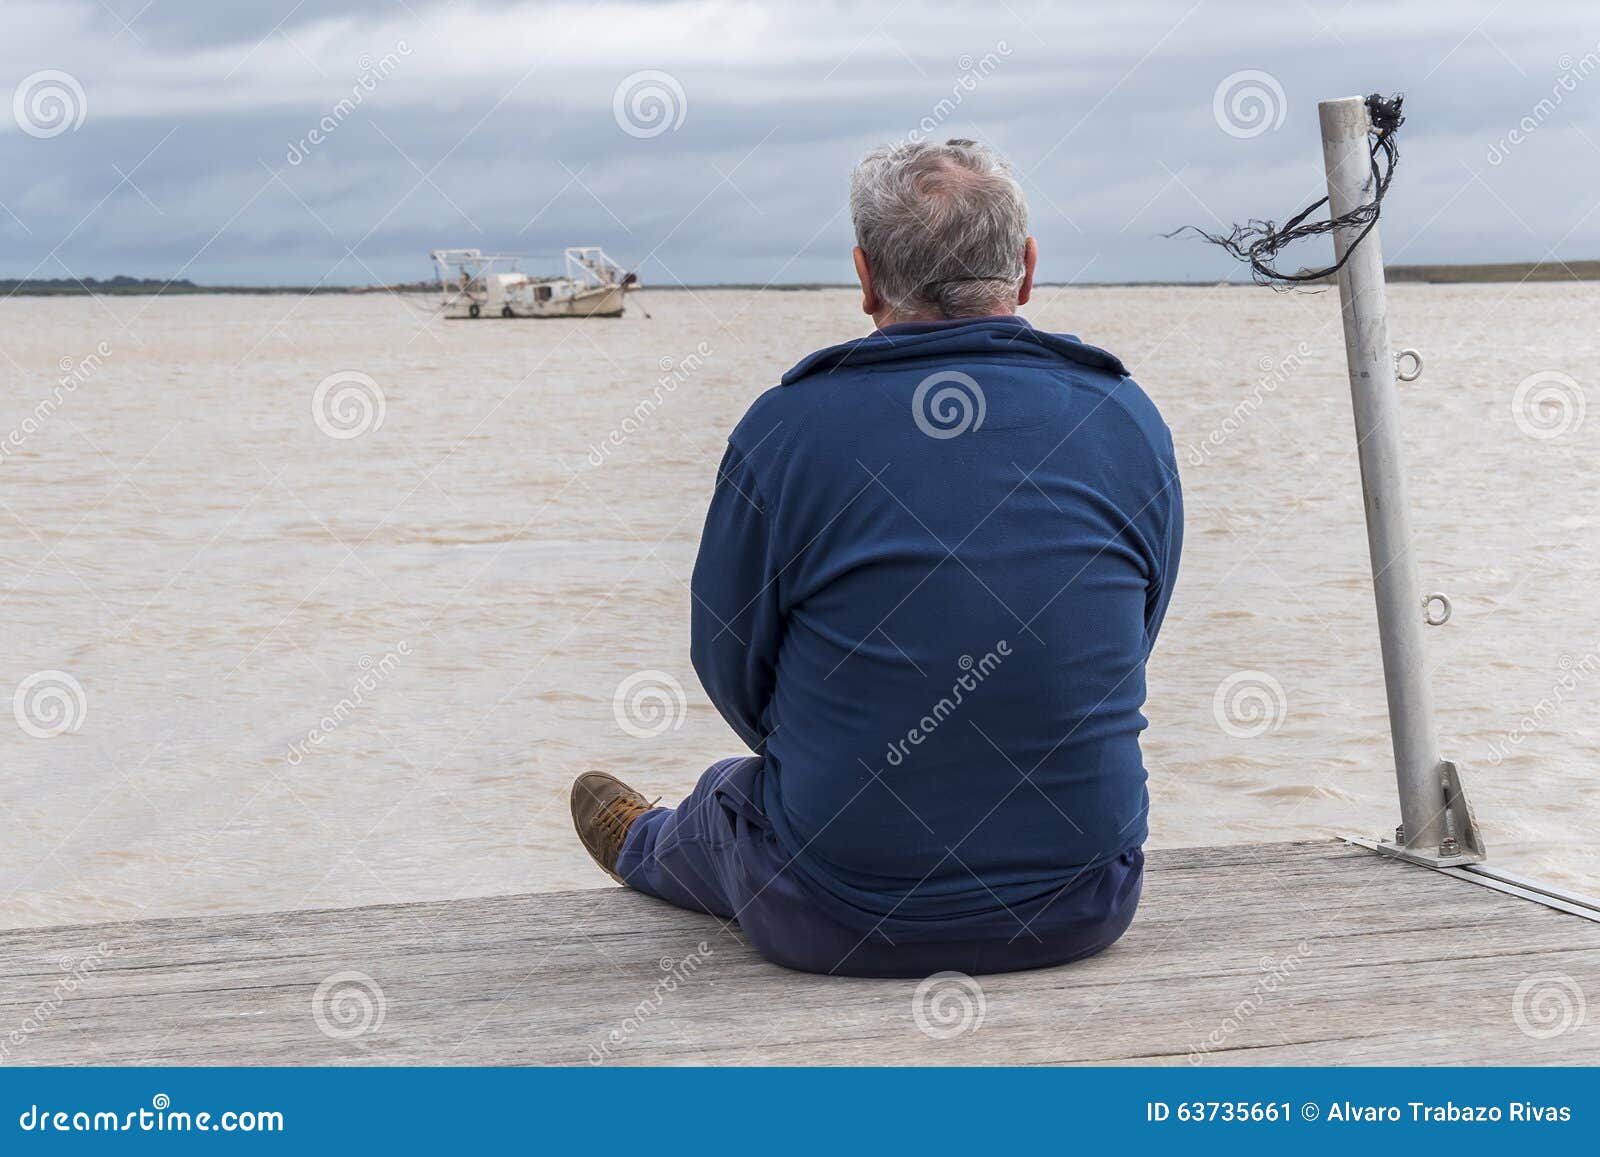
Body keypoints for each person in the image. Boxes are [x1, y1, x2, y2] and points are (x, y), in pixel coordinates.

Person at [571, 138, 1182, 978]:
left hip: (832, 912)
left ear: (865, 278)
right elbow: (1132, 630)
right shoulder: (1124, 416)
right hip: (1084, 903)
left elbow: (727, 656)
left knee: (730, 798)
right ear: (1028, 269)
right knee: (766, 788)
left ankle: (645, 841)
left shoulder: (786, 429)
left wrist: (835, 739)